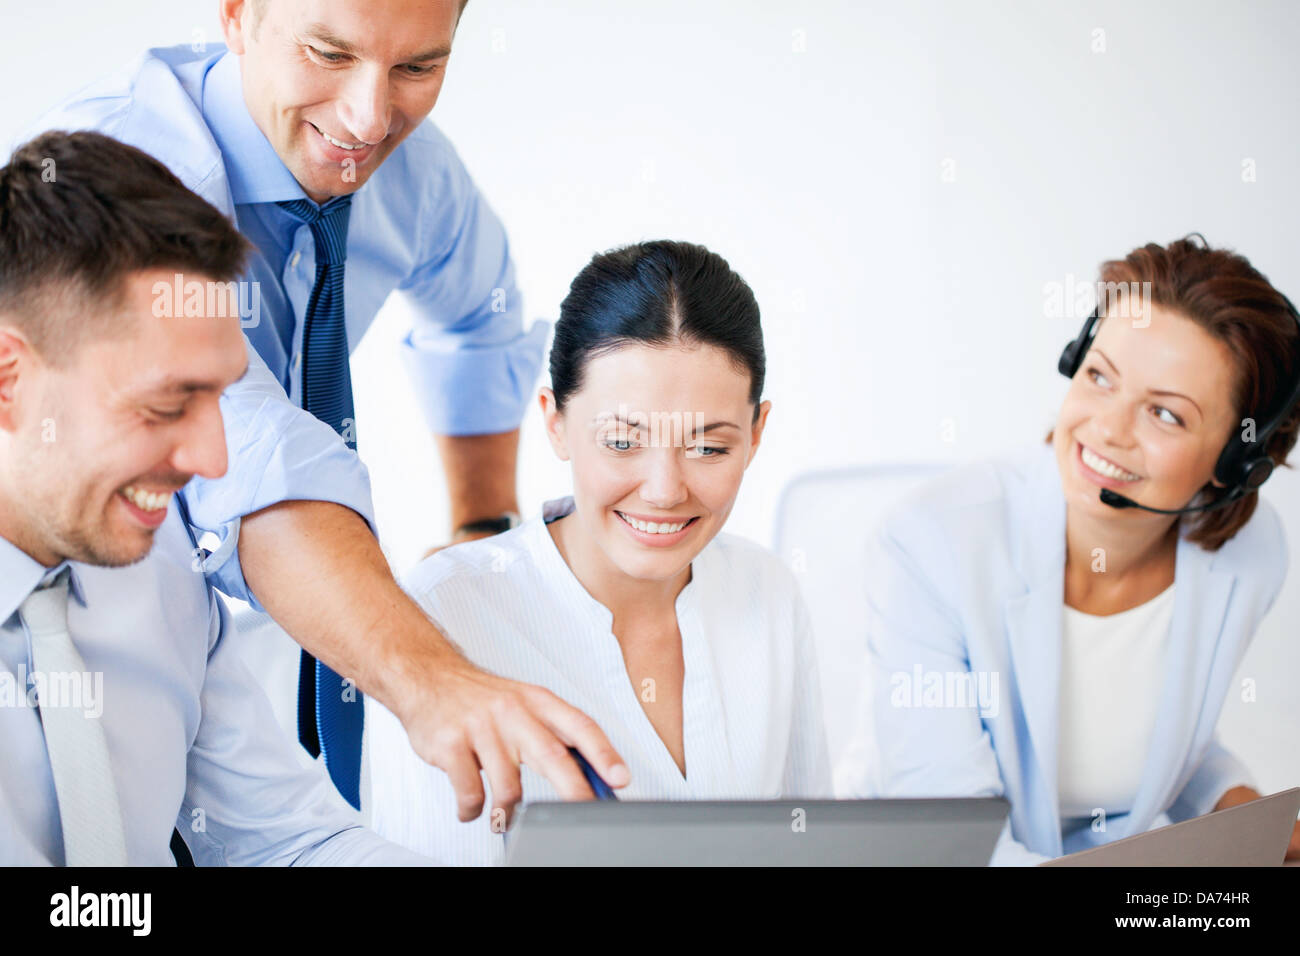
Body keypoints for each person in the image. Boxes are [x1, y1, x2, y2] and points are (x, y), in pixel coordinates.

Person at [25, 0, 628, 818]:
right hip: (78, 626)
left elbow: (480, 321)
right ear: (238, 16)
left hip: (233, 667)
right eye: (327, 53)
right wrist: (434, 682)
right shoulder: (117, 178)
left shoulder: (413, 176)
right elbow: (248, 455)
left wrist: (482, 527)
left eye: (418, 67)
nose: (368, 118)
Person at [0, 130, 435, 865]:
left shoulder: (160, 569)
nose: (213, 460)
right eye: (170, 404)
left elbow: (290, 842)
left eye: (222, 398)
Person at [365, 240, 832, 863]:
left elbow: (816, 850)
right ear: (555, 423)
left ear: (756, 433)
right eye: (621, 441)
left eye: (709, 448)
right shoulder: (441, 616)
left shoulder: (768, 592)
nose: (665, 491)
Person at [864, 235, 1300, 865]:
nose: (1107, 429)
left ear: (1236, 463)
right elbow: (956, 839)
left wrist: (1245, 817)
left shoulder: (1248, 557)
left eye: (1166, 415)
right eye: (1100, 377)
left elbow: (1164, 737)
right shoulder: (933, 542)